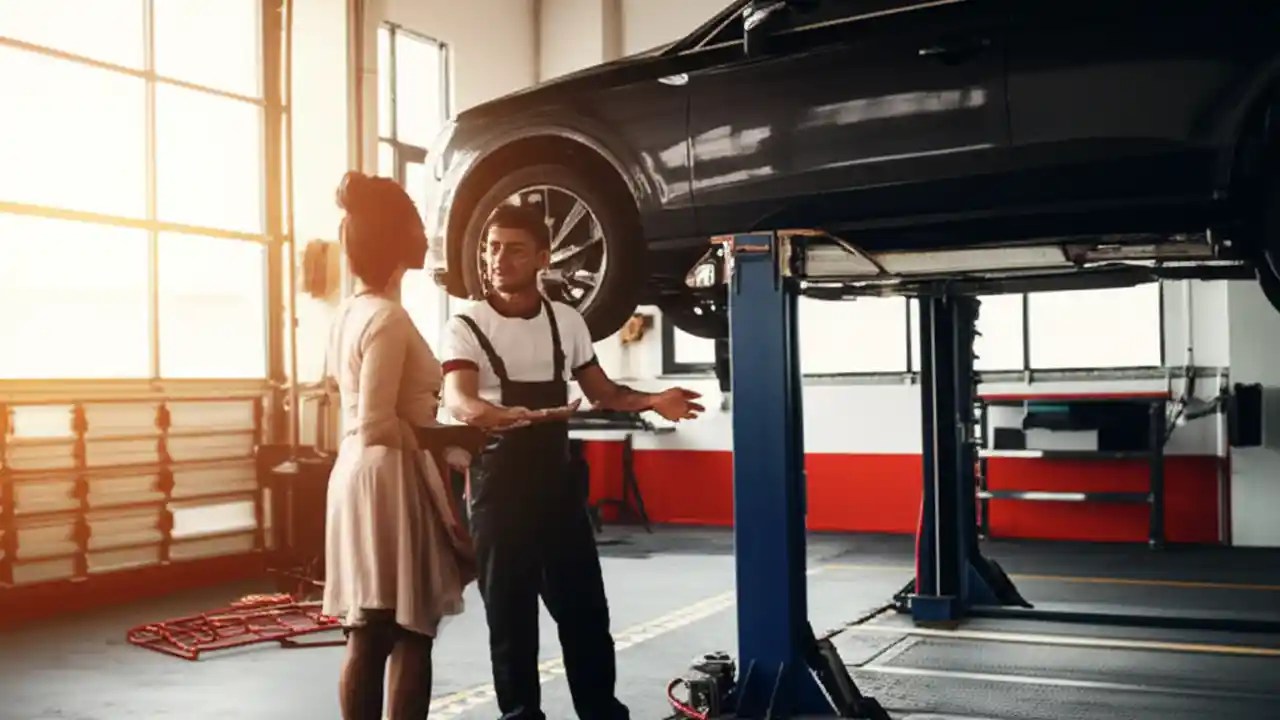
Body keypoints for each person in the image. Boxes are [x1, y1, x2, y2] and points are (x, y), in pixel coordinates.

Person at [440, 203, 705, 720]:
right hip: (499, 488)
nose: (499, 259)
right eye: (492, 248)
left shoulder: (566, 322)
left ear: (542, 257)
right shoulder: (468, 324)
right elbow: (459, 400)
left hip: (558, 487)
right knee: (511, 619)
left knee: (585, 611)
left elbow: (602, 391)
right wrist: (499, 414)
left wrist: (654, 400)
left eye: (514, 249)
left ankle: (601, 712)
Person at [321, 170, 499, 720]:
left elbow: (360, 412)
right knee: (406, 630)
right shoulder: (389, 317)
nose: (427, 237)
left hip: (356, 473)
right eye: (419, 226)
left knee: (368, 627)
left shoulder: (348, 313)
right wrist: (443, 436)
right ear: (398, 240)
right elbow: (377, 421)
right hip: (388, 474)